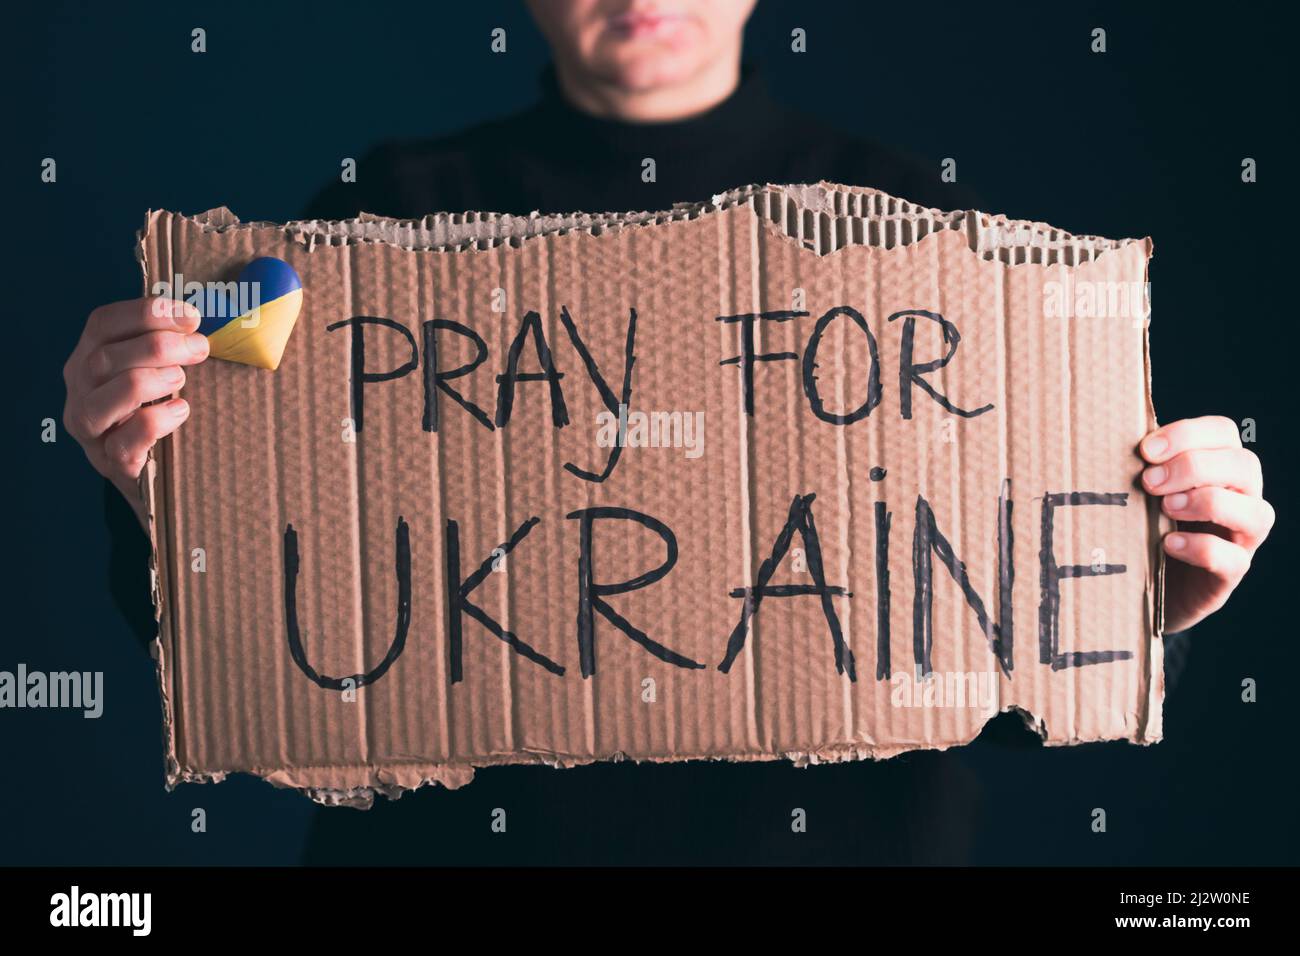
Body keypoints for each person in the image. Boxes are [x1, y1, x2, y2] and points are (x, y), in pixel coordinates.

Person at [61, 0, 1273, 862]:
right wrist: (155, 488)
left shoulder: (926, 239)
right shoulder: (366, 231)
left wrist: (1139, 605)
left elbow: (979, 671)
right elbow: (268, 638)